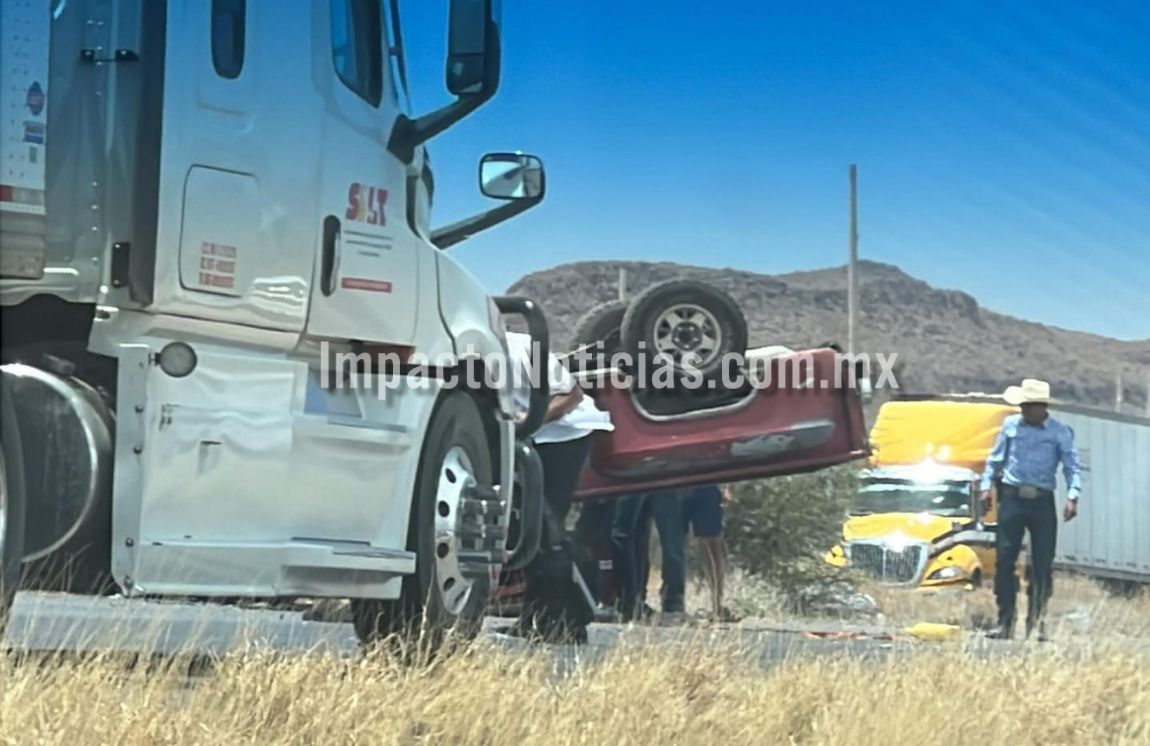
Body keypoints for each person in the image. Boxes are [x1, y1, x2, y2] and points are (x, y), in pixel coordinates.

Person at [503, 331, 613, 643]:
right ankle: (537, 617)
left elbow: (571, 395)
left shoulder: (523, 348)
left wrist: (530, 421)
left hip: (564, 433)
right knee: (529, 527)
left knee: (546, 523)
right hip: (527, 438)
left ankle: (571, 618)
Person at [978, 378, 1082, 641]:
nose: (1023, 410)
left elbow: (1071, 465)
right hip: (1012, 498)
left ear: (1041, 406)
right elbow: (995, 459)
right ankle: (1005, 622)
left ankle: (1036, 620)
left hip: (1041, 501)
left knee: (1042, 563)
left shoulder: (1060, 432)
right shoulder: (1011, 426)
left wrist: (1072, 495)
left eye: (1028, 405)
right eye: (1022, 406)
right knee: (1005, 559)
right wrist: (986, 486)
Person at [682, 483, 738, 623]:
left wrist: (729, 488)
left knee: (711, 544)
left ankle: (717, 605)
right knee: (699, 545)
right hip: (679, 488)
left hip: (705, 487)